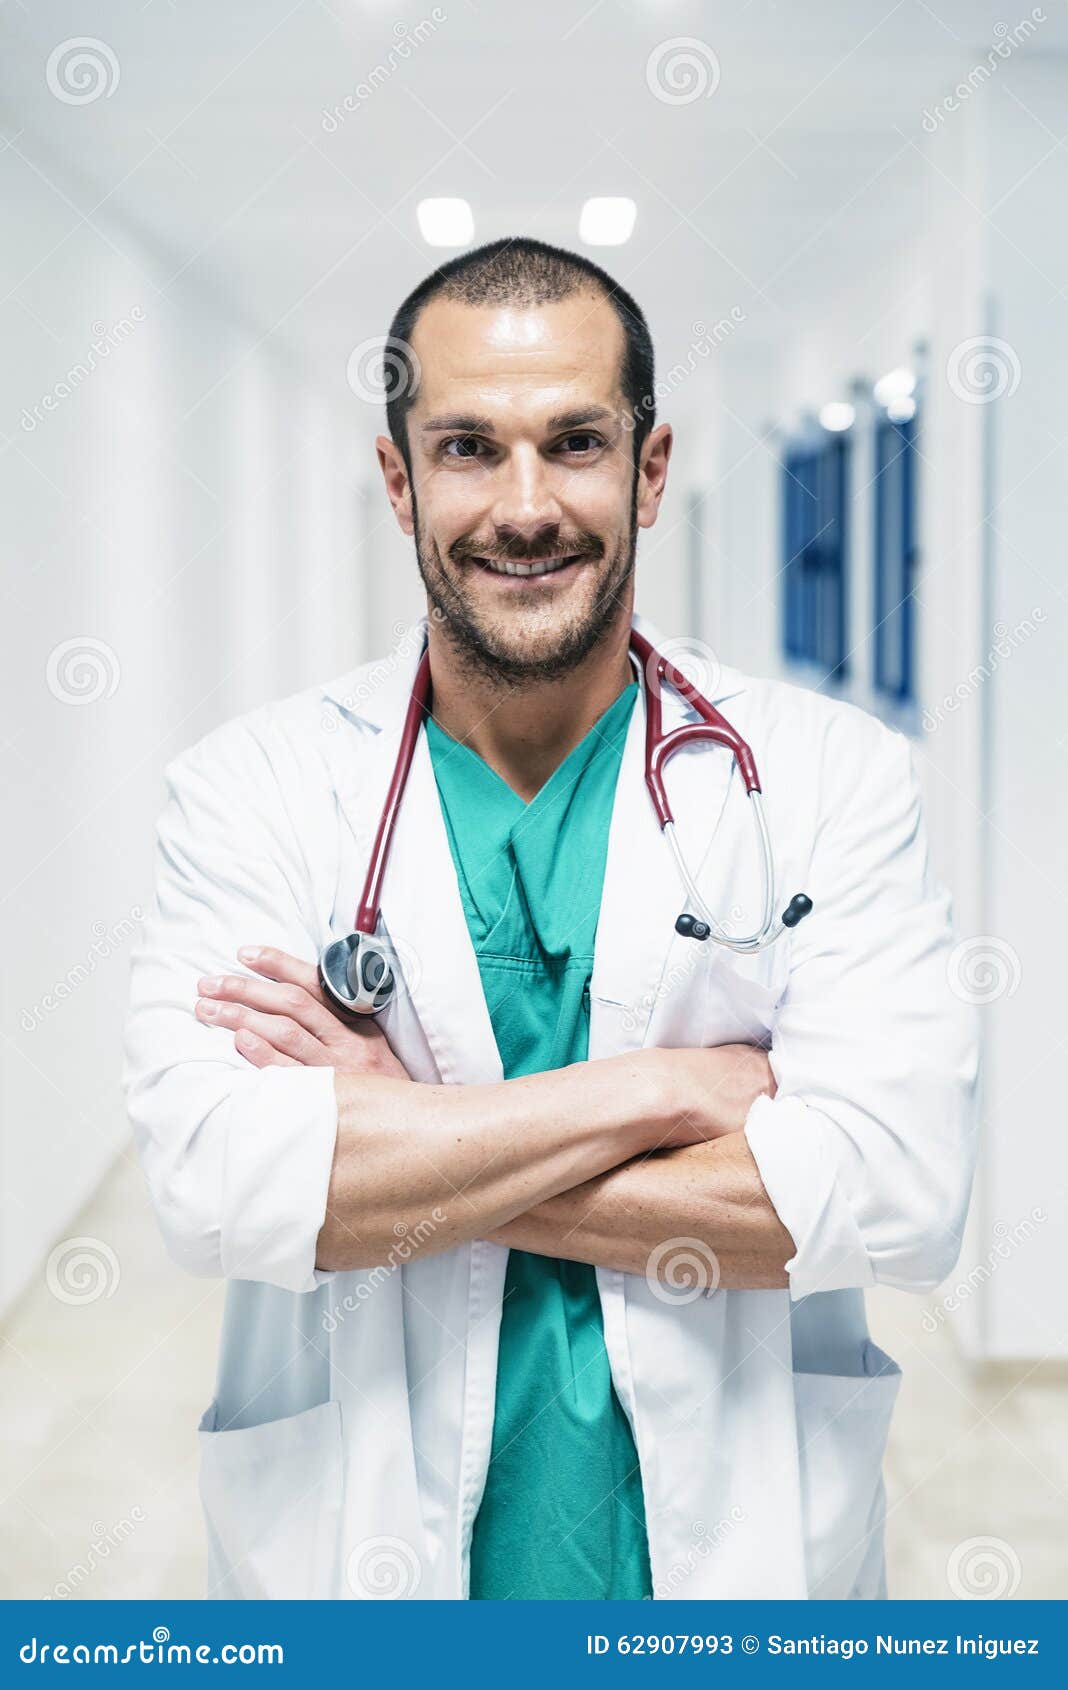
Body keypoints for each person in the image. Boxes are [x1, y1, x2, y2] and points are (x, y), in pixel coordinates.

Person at [123, 237, 978, 1602]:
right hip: (364, 1572)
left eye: (575, 441)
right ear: (398, 480)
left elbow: (901, 1192)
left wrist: (405, 1137)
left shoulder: (827, 776)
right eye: (468, 447)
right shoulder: (257, 787)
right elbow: (216, 1184)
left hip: (731, 1574)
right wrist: (668, 1089)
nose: (525, 507)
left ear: (649, 468)